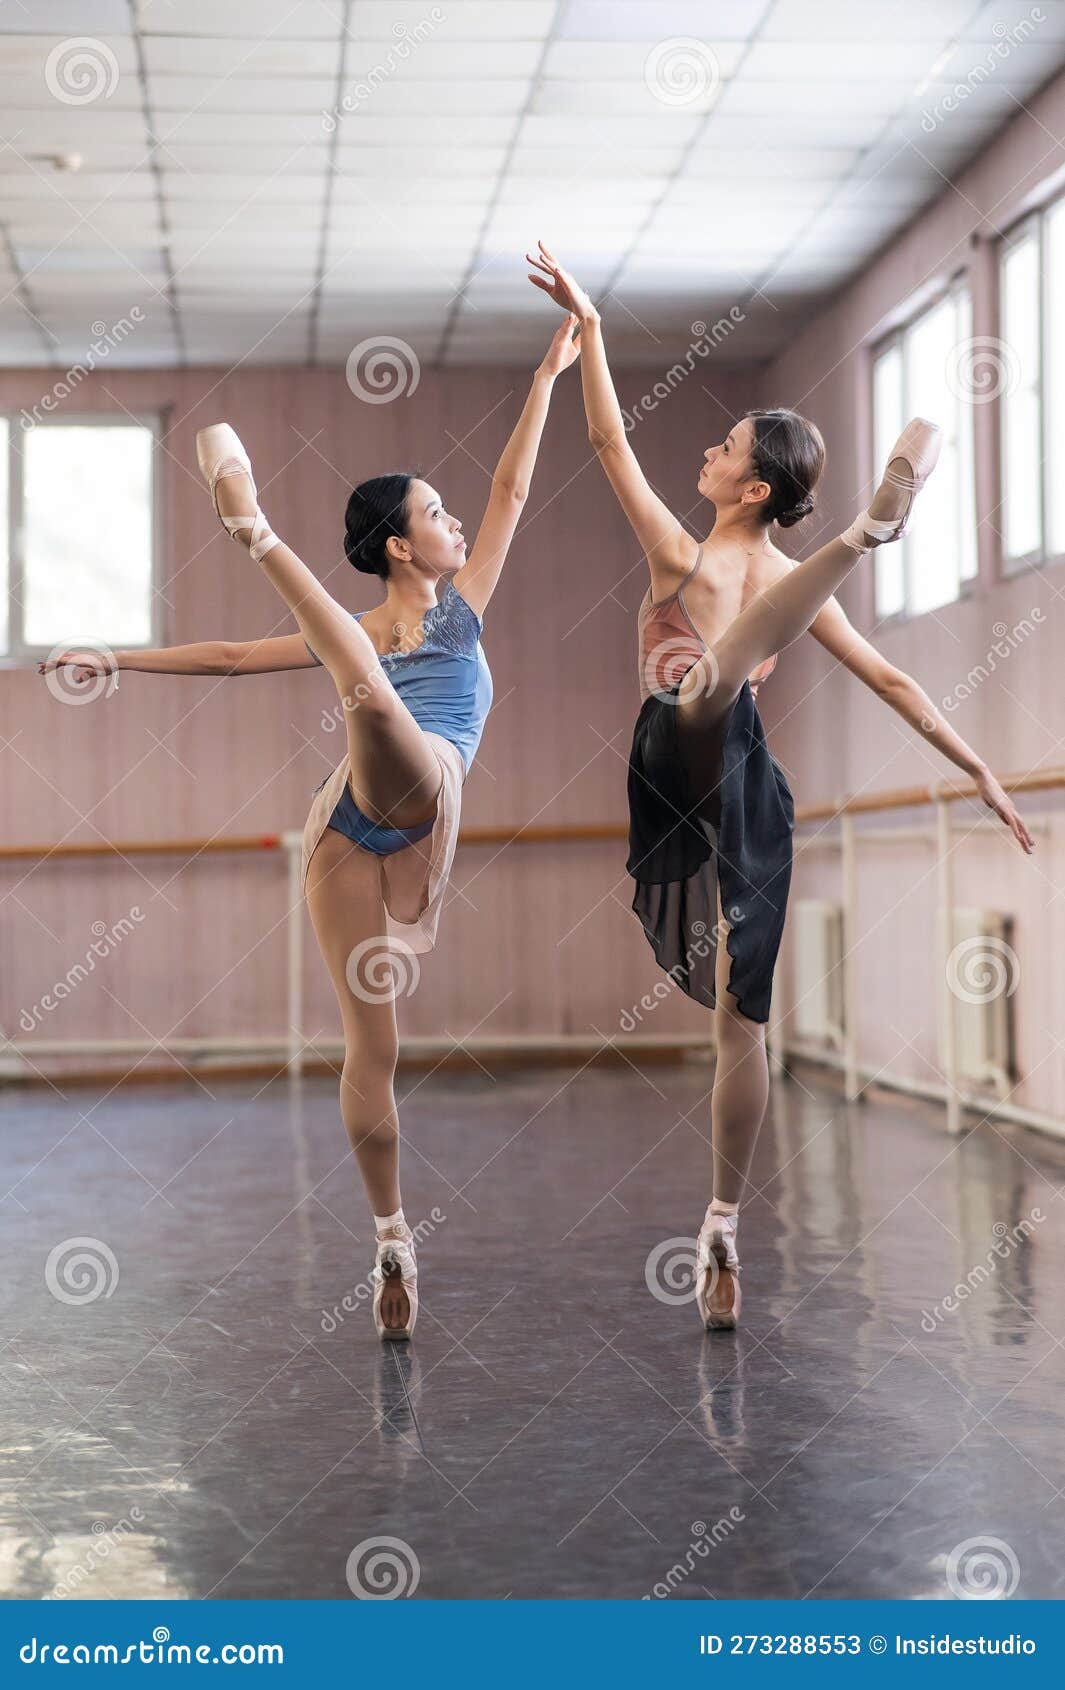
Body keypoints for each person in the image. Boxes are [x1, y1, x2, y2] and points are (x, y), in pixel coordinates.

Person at [41, 315, 581, 1342]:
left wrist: (549, 370)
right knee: (365, 1042)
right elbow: (237, 658)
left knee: (373, 699)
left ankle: (255, 528)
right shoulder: (373, 625)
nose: (457, 521)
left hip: (424, 793)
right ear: (396, 543)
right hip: (346, 822)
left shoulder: (462, 609)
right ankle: (390, 1240)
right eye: (435, 512)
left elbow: (512, 486)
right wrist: (115, 658)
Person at [527, 240, 1033, 1332]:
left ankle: (723, 1227)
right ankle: (863, 537)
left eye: (721, 448)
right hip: (714, 750)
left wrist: (597, 338)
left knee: (741, 1022)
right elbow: (894, 679)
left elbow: (606, 439)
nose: (704, 453)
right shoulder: (750, 579)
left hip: (710, 753)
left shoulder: (687, 556)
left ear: (750, 488)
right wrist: (976, 766)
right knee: (716, 691)